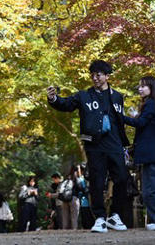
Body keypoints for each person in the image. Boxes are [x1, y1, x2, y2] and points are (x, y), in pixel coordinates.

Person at [47, 59, 130, 233]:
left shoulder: (117, 97)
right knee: (97, 182)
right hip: (94, 145)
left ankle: (115, 215)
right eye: (92, 75)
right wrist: (53, 98)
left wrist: (124, 145)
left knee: (122, 178)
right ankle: (99, 218)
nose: (95, 78)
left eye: (98, 75)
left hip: (115, 144)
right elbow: (66, 104)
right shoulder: (83, 96)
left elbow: (120, 122)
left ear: (107, 76)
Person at [123, 76, 155, 231]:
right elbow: (144, 122)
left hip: (151, 154)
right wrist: (136, 116)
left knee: (150, 189)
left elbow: (140, 123)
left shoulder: (150, 103)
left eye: (143, 86)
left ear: (152, 88)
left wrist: (121, 118)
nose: (140, 89)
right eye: (139, 86)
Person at [58, 165, 80, 230]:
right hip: (73, 198)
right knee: (74, 216)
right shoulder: (76, 179)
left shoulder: (65, 179)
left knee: (65, 217)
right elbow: (80, 187)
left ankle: (65, 231)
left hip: (64, 199)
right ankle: (74, 230)